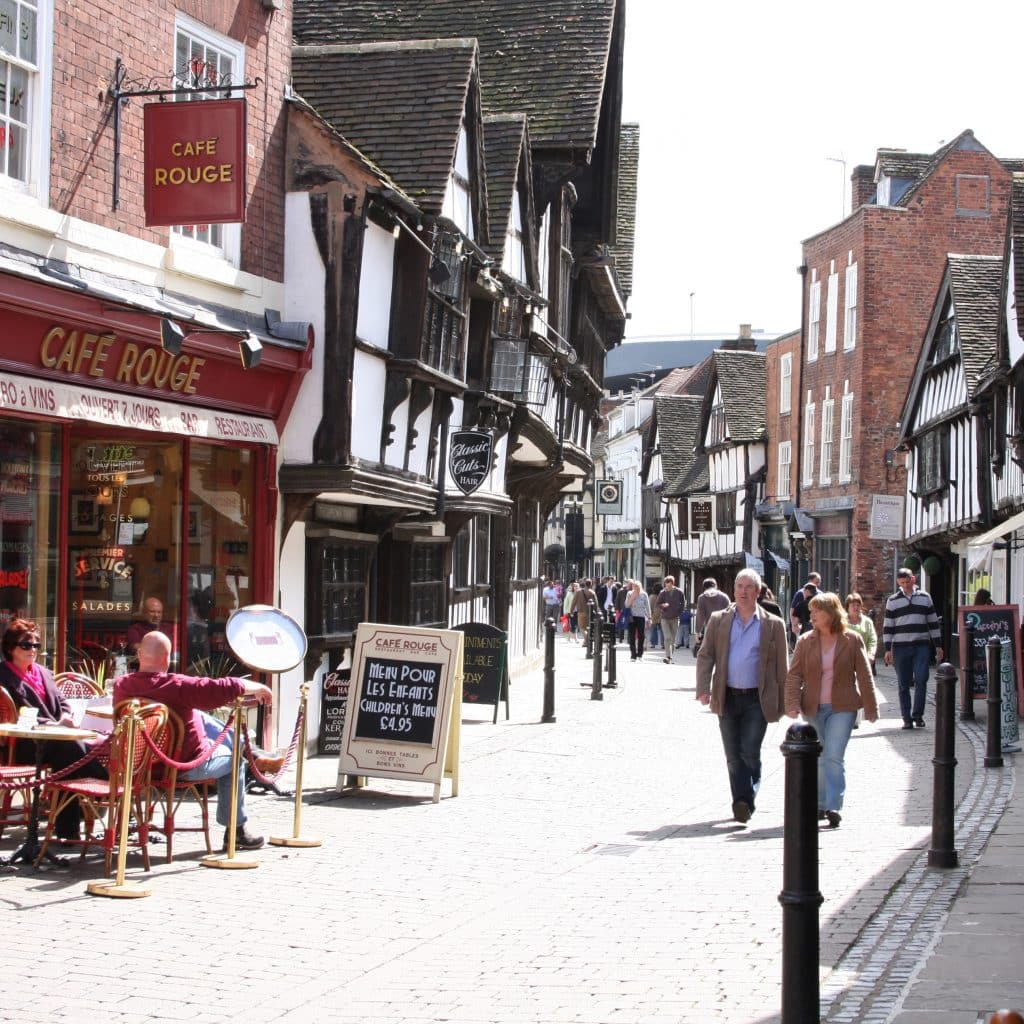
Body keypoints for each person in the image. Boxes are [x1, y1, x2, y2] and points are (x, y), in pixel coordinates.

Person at [114, 631, 275, 850]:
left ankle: (250, 749)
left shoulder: (122, 686)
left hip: (139, 766)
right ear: (167, 658)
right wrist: (259, 687)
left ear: (139, 654)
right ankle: (236, 830)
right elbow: (217, 688)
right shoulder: (177, 686)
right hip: (181, 766)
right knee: (236, 760)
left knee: (197, 716)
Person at [695, 568, 789, 824]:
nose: (743, 591)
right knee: (733, 755)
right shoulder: (718, 619)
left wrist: (787, 700)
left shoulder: (773, 624)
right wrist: (703, 687)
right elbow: (706, 655)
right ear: (733, 590)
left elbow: (783, 665)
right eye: (739, 586)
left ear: (758, 592)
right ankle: (743, 801)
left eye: (749, 587)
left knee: (749, 751)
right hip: (727, 695)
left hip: (757, 699)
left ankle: (744, 800)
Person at [0, 618, 106, 840]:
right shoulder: (4, 676)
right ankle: (104, 785)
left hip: (57, 741)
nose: (32, 650)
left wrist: (67, 716)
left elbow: (63, 703)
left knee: (69, 752)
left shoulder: (44, 673)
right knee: (71, 749)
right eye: (25, 645)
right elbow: (21, 714)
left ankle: (68, 830)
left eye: (36, 645)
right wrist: (56, 725)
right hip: (22, 743)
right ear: (10, 648)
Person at [785, 592, 878, 829]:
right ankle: (819, 803)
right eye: (811, 611)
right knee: (819, 755)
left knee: (834, 754)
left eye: (817, 611)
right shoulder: (806, 641)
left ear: (832, 613)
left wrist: (870, 706)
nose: (812, 615)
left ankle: (833, 805)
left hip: (843, 706)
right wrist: (792, 703)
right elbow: (794, 674)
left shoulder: (852, 640)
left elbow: (864, 675)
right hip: (813, 706)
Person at [883, 568, 943, 729]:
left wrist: (938, 645)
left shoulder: (925, 597)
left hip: (921, 645)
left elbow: (932, 622)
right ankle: (906, 718)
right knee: (903, 683)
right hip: (901, 647)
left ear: (913, 579)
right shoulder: (893, 600)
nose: (905, 586)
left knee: (922, 679)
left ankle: (918, 715)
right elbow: (888, 626)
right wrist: (888, 649)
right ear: (898, 583)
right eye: (902, 583)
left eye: (907, 582)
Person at [695, 577, 730, 654]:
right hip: (724, 627)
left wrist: (697, 632)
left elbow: (700, 616)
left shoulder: (702, 597)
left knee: (709, 652)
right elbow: (730, 612)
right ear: (715, 586)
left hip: (710, 627)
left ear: (704, 587)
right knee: (722, 652)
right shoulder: (724, 596)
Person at [655, 576, 685, 663]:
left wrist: (679, 612)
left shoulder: (679, 592)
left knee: (673, 639)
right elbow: (657, 604)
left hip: (675, 618)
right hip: (665, 618)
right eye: (666, 585)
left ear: (672, 584)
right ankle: (668, 656)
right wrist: (663, 605)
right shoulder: (662, 592)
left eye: (668, 586)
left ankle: (670, 657)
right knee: (667, 637)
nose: (666, 587)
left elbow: (683, 602)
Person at [624, 580, 651, 661]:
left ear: (641, 587)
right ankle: (633, 655)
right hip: (631, 617)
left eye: (638, 587)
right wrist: (632, 597)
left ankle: (640, 654)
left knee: (641, 636)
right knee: (632, 636)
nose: (636, 589)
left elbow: (647, 606)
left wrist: (649, 617)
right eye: (634, 587)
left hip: (641, 617)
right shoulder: (629, 593)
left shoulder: (644, 594)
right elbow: (627, 605)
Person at [790, 573, 821, 642]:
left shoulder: (801, 604)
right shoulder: (821, 602)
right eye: (816, 582)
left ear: (807, 591)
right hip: (820, 631)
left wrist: (795, 625)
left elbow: (795, 619)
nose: (818, 584)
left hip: (805, 632)